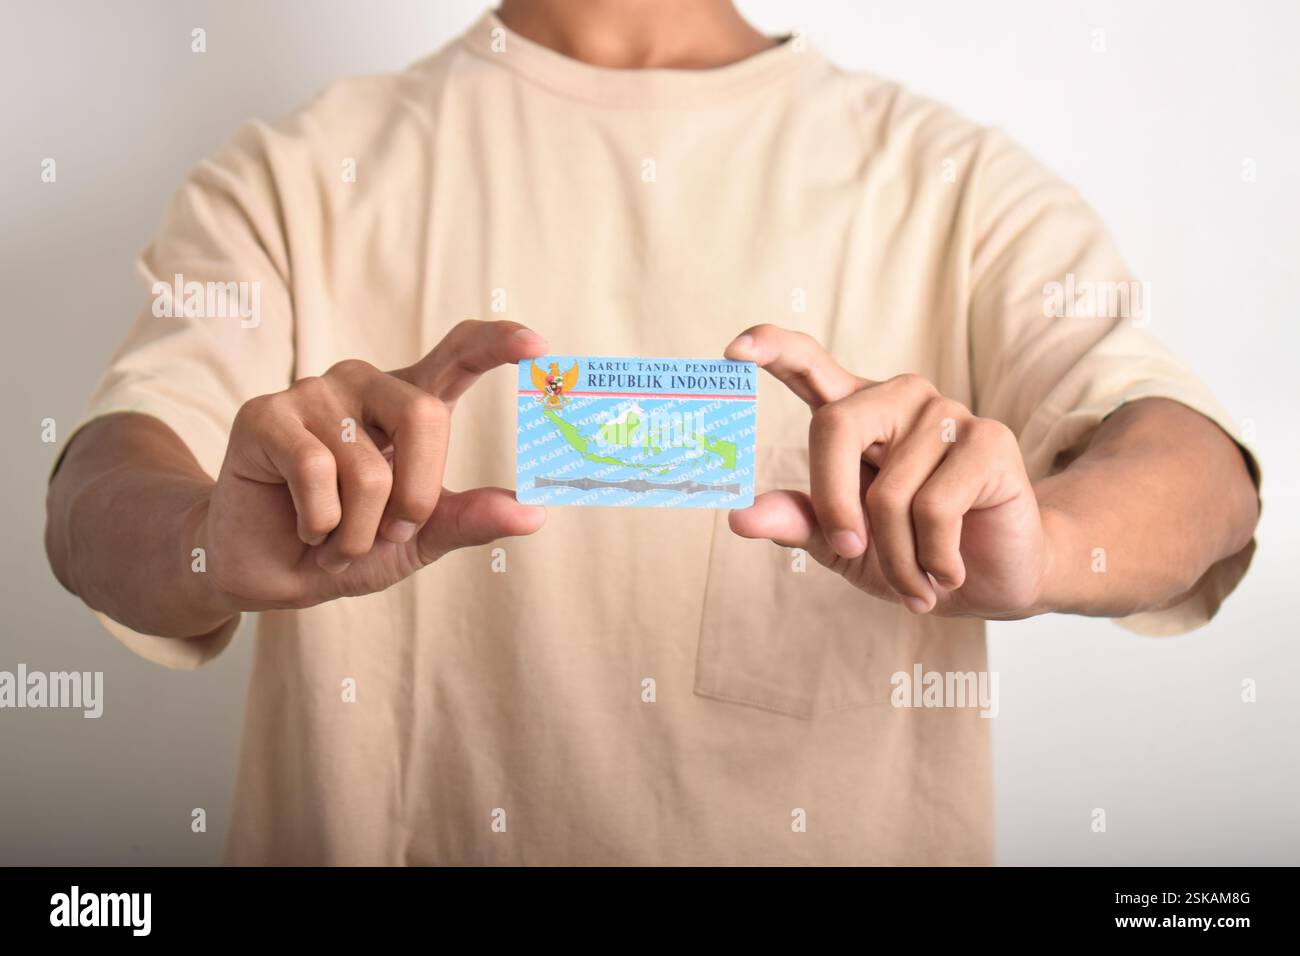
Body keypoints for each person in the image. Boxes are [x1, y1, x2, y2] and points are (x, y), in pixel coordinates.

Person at [44, 1, 1260, 865]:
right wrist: (201, 535)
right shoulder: (292, 177)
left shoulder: (956, 187)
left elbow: (1203, 474)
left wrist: (1046, 540)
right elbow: (100, 484)